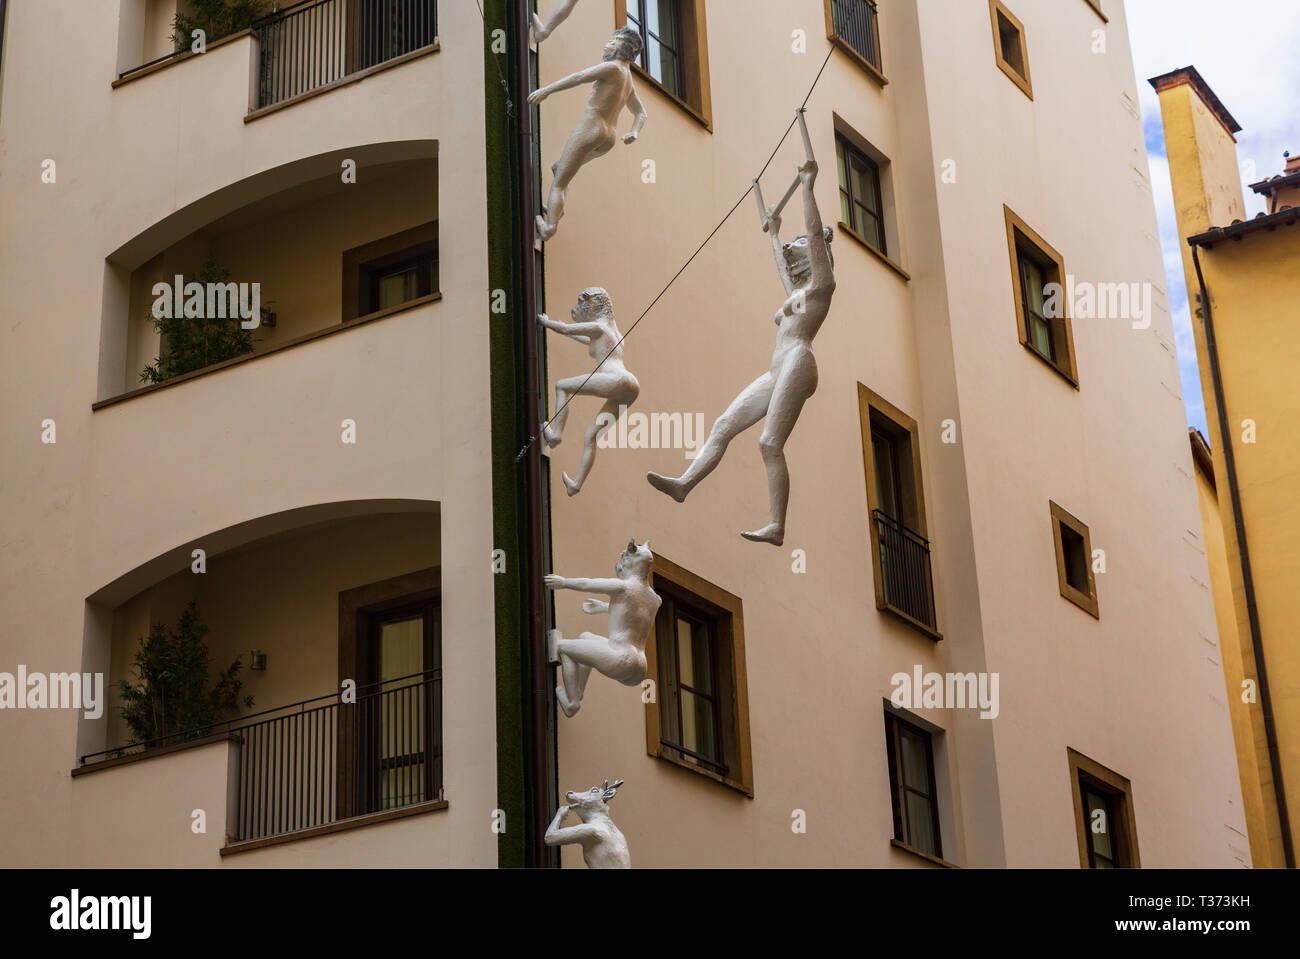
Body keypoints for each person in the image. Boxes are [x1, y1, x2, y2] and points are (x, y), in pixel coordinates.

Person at [647, 114, 835, 547]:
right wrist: (773, 235)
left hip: (799, 363)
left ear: (818, 254)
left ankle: (777, 526)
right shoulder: (798, 292)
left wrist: (806, 186)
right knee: (724, 424)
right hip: (778, 369)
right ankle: (685, 484)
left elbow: (811, 231)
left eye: (799, 249)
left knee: (769, 443)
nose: (793, 254)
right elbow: (782, 269)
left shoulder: (823, 286)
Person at [527, 27, 648, 242]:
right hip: (608, 137)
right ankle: (558, 211)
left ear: (625, 48)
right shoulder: (628, 79)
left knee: (559, 183)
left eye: (616, 41)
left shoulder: (613, 68)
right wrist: (633, 133)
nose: (609, 44)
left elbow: (578, 77)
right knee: (559, 169)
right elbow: (641, 113)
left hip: (590, 130)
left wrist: (546, 90)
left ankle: (549, 229)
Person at [540, 287, 639, 496]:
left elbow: (566, 329)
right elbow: (586, 338)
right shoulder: (615, 333)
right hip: (631, 387)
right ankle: (575, 485)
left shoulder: (598, 326)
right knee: (590, 436)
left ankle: (556, 435)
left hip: (616, 380)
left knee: (562, 386)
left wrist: (545, 322)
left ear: (591, 305)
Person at [544, 540, 660, 718]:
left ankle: (572, 703)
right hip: (639, 668)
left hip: (619, 658)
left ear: (631, 560)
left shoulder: (623, 587)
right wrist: (603, 607)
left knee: (561, 647)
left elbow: (587, 584)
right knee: (585, 637)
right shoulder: (654, 599)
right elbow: (635, 616)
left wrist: (563, 582)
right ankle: (579, 691)